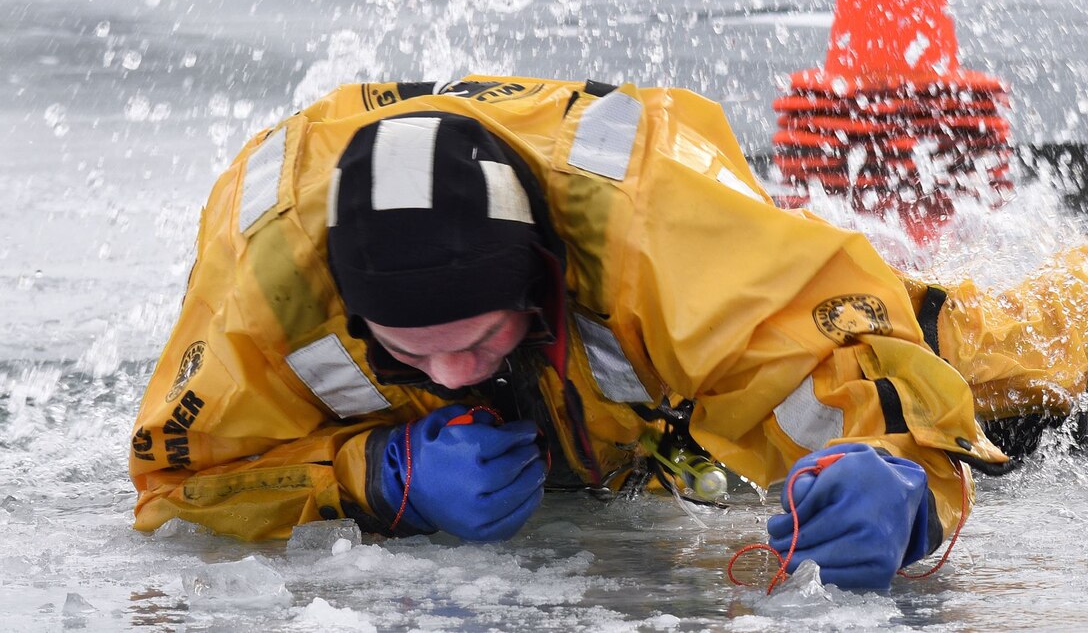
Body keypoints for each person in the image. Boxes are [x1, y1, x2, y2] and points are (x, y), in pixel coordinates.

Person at [129, 75, 1088, 590]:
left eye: (478, 338)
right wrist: (376, 475)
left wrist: (895, 478)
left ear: (540, 282)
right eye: (410, 352)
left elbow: (855, 355)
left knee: (987, 352)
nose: (452, 377)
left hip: (677, 346)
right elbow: (179, 484)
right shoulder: (266, 287)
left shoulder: (660, 240)